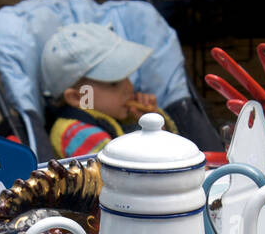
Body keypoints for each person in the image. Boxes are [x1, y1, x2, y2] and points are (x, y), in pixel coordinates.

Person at [40, 21, 176, 159]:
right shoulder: (77, 134)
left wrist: (151, 123)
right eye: (114, 83)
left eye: (127, 76)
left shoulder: (108, 115)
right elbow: (126, 172)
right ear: (78, 97)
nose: (129, 87)